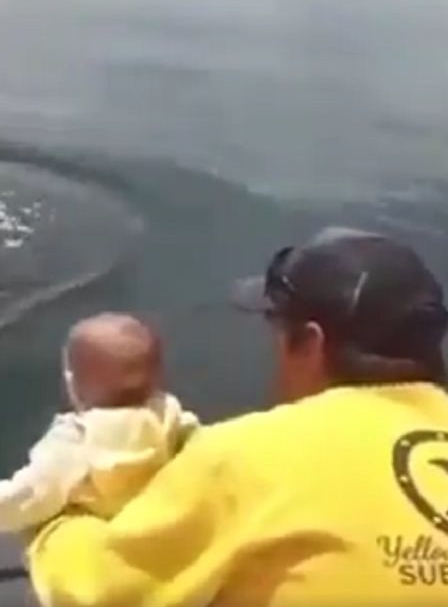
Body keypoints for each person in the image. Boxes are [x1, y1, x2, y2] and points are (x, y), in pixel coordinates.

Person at [24, 226, 448, 606]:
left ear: (311, 343)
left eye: (276, 327)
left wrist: (58, 514)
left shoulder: (251, 455)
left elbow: (96, 591)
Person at [0, 313, 200, 533]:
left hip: (108, 533)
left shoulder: (75, 441)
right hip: (162, 524)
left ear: (73, 385)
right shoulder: (170, 415)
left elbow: (29, 496)